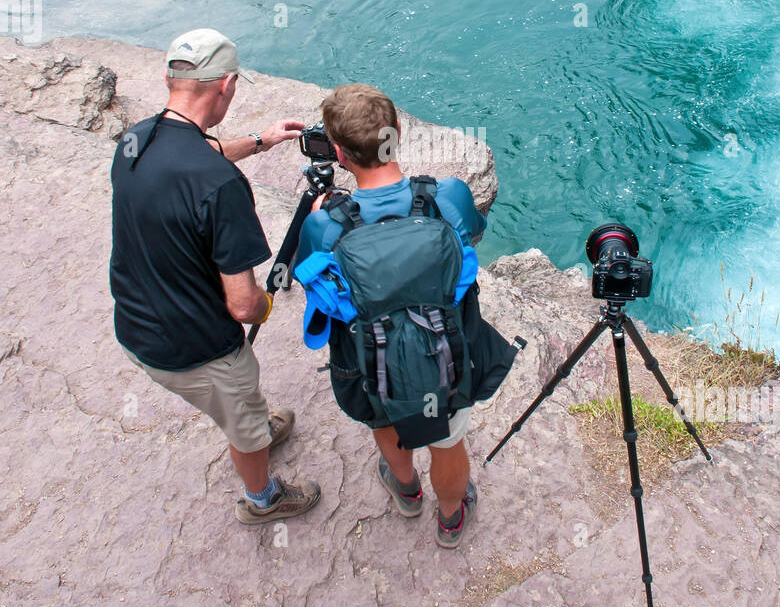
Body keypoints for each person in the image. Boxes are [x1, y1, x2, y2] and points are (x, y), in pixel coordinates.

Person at [109, 28, 321, 526]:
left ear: (171, 78)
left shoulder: (136, 139)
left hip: (136, 323)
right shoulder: (221, 187)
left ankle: (252, 419)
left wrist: (262, 141)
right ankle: (263, 497)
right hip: (194, 347)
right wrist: (274, 306)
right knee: (242, 418)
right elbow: (245, 306)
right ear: (226, 86)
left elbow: (192, 165)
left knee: (242, 395)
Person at [296, 83, 515, 548]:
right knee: (448, 441)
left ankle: (408, 492)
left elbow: (311, 283)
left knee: (386, 421)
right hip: (445, 357)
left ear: (337, 152)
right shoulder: (448, 196)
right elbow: (474, 231)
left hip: (370, 363)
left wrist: (322, 213)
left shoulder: (323, 223)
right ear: (397, 133)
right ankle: (452, 518)